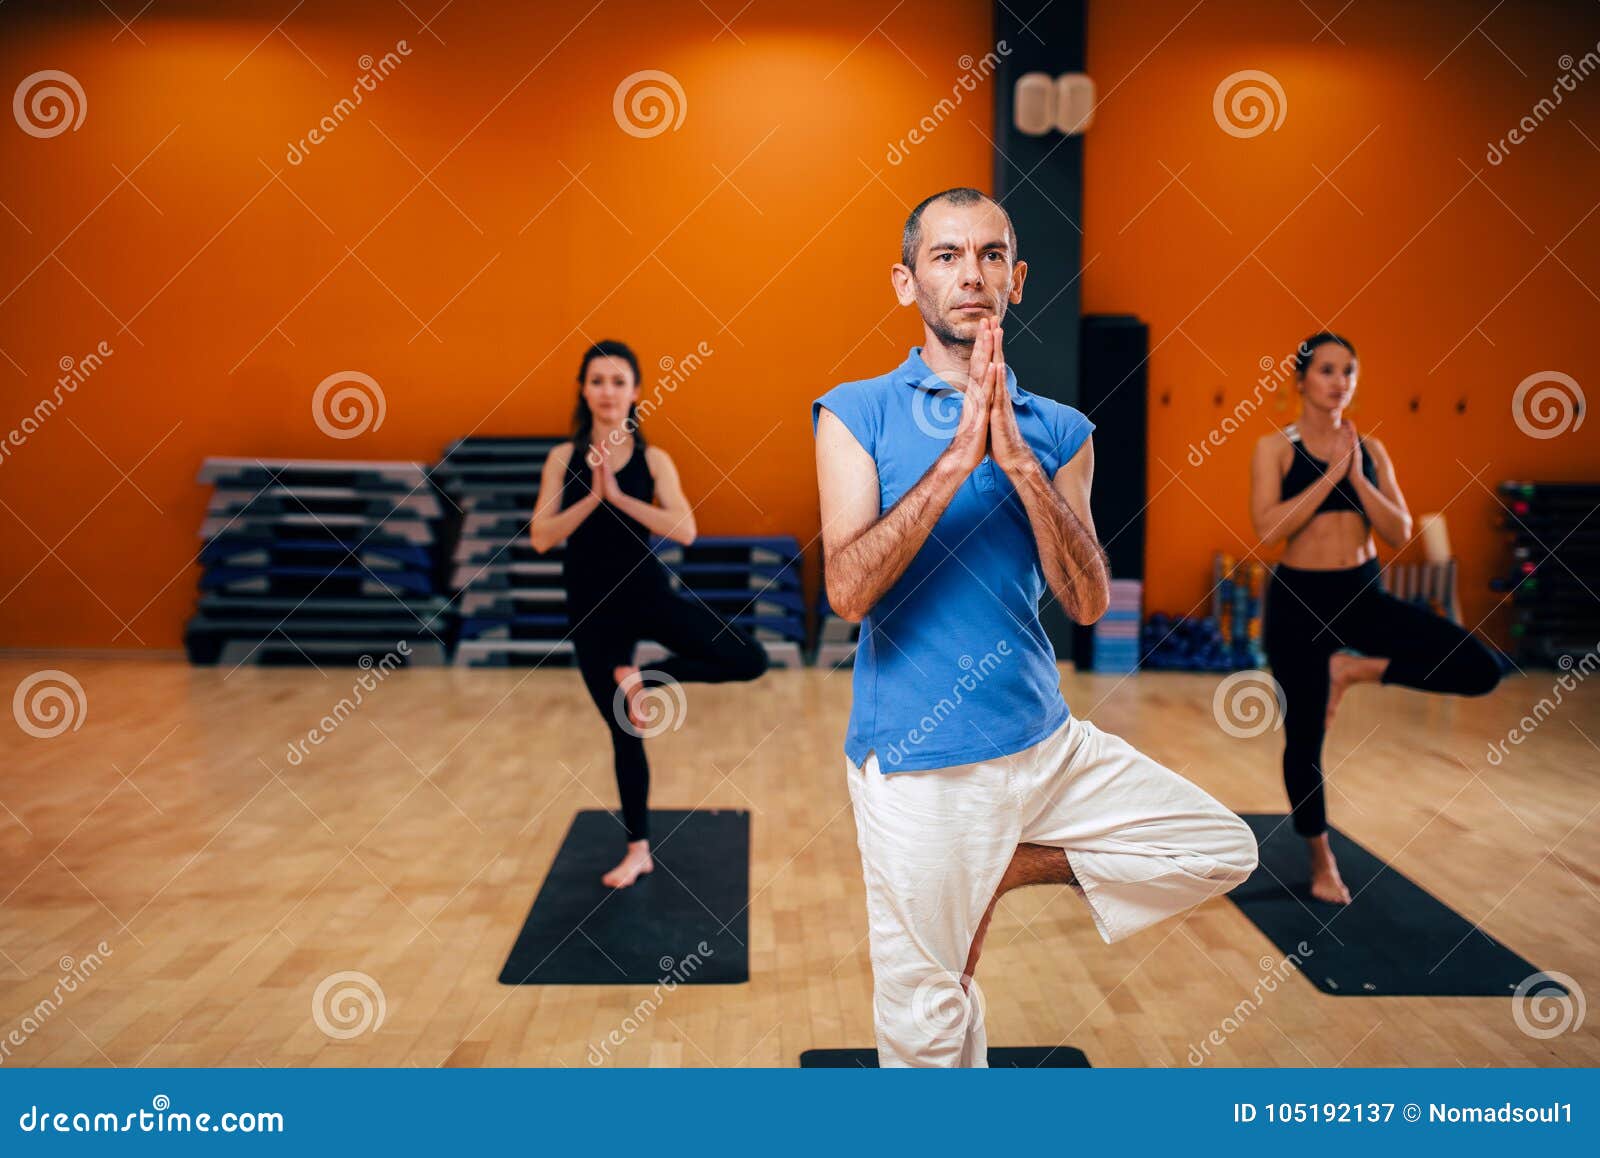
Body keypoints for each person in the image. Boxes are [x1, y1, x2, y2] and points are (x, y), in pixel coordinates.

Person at [811, 188, 1258, 1067]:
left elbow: (1088, 602)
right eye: (945, 256)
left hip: (1046, 744)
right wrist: (956, 461)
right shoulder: (853, 412)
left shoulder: (1060, 430)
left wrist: (1018, 462)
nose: (968, 274)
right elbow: (848, 591)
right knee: (932, 1023)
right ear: (906, 283)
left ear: (1016, 281)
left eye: (988, 256)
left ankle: (1006, 869)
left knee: (1219, 846)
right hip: (919, 767)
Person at [1250, 331, 1502, 904]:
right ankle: (1321, 860)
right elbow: (1268, 530)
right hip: (1299, 605)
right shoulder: (1275, 448)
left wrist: (1357, 476)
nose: (1339, 382)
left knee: (1480, 669)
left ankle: (1355, 671)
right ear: (1302, 380)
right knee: (1305, 739)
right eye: (1327, 371)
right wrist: (1330, 476)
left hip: (1362, 596)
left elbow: (1398, 530)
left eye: (1349, 372)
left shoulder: (1373, 450)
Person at [530, 340, 768, 888]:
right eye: (597, 381)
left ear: (635, 392)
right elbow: (541, 537)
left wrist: (618, 496)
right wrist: (591, 499)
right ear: (584, 391)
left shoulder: (653, 459)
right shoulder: (562, 460)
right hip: (591, 612)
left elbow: (684, 529)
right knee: (625, 729)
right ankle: (637, 849)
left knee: (748, 657)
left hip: (646, 596)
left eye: (618, 382)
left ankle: (646, 677)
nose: (607, 392)